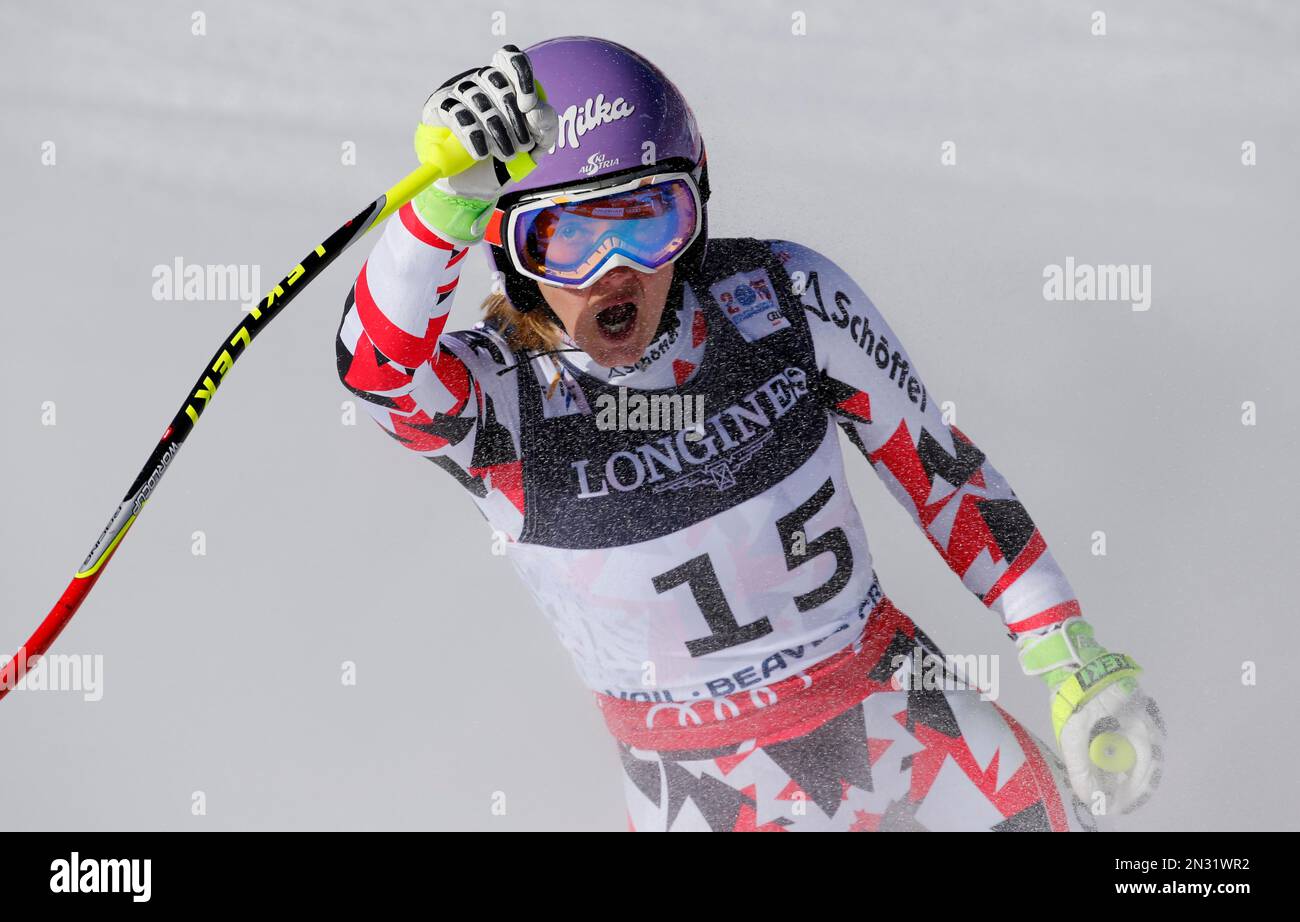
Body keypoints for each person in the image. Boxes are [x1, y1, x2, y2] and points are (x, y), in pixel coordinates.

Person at [336, 37, 1165, 831]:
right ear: (511, 255)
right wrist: (438, 211)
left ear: (694, 220)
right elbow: (375, 371)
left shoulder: (785, 298)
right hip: (703, 794)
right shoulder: (499, 401)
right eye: (568, 238)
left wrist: (1073, 661)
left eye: (649, 221)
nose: (612, 270)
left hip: (923, 731)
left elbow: (941, 472)